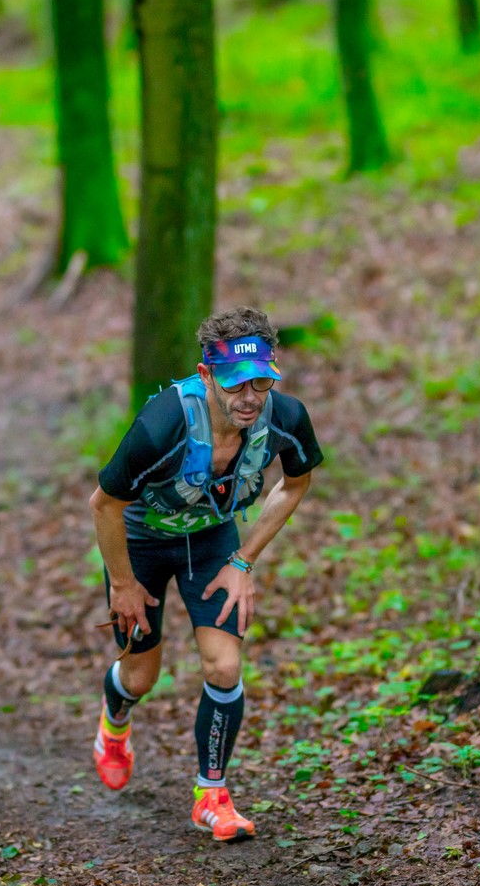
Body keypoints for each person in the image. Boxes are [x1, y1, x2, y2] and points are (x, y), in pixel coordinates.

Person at [88, 307, 324, 841]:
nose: (249, 397)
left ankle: (211, 795)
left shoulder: (284, 416)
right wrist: (124, 585)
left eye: (260, 381)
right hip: (141, 540)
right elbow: (103, 504)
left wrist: (244, 560)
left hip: (211, 538)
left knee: (223, 666)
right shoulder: (162, 425)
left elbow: (296, 482)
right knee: (142, 677)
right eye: (235, 383)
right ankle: (115, 717)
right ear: (206, 375)